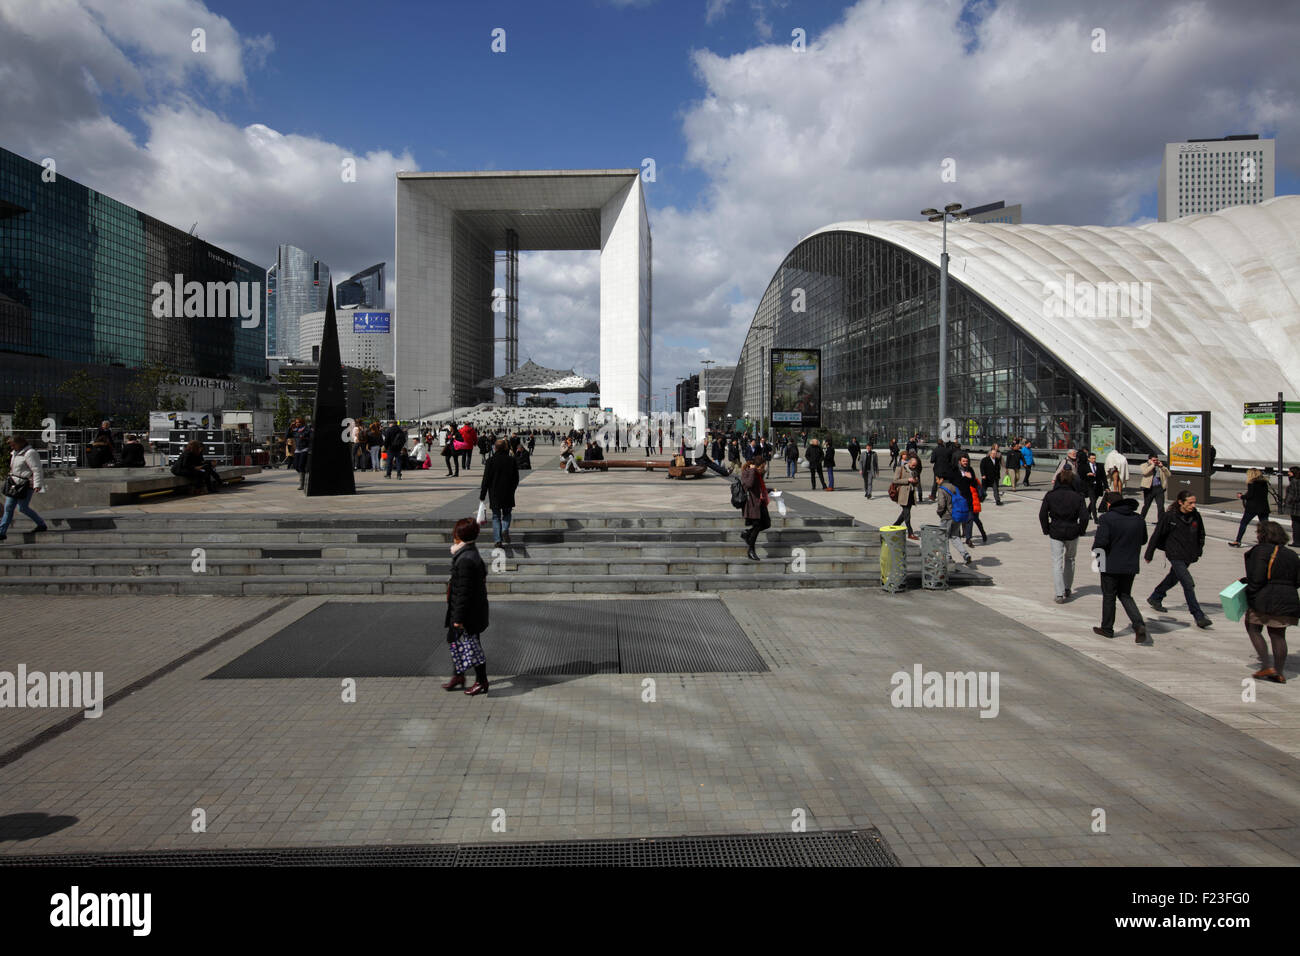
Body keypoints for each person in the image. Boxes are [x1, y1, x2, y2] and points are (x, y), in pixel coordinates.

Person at [1144, 490, 1211, 629]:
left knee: (1174, 577)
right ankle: (1198, 615)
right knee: (1188, 583)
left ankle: (1156, 596)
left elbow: (1201, 534)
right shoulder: (1170, 516)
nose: (1193, 505)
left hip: (1189, 554)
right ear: (1181, 502)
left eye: (1194, 502)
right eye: (1190, 502)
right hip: (1174, 553)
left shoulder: (1195, 516)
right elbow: (1157, 534)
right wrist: (1149, 553)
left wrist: (1199, 550)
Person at [1241, 521, 1298, 683]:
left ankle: (1266, 665)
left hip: (1265, 598)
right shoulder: (1291, 554)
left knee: (1253, 627)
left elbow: (1257, 578)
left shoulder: (1260, 551)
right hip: (1288, 599)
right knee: (1278, 634)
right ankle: (1279, 672)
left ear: (1263, 534)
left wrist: (1249, 593)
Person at [1091, 490, 1149, 642]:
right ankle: (1138, 624)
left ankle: (1107, 628)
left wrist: (1096, 557)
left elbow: (1101, 543)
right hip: (1130, 565)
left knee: (1109, 596)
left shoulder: (1107, 519)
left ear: (1109, 504)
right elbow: (1143, 540)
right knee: (1125, 595)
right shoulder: (1138, 518)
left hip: (1110, 564)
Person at [442, 517, 490, 696]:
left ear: (461, 536)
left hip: (467, 613)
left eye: (456, 533)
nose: (453, 536)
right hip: (466, 610)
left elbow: (464, 592)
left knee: (473, 646)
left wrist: (458, 619)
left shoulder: (466, 559)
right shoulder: (467, 552)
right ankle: (459, 675)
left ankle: (481, 681)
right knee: (455, 642)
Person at [1039, 466, 1089, 604]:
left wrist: (1046, 529)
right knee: (1070, 559)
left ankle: (1059, 593)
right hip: (1072, 529)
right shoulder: (1078, 497)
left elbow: (1042, 514)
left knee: (1057, 561)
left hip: (1056, 529)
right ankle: (1067, 587)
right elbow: (1084, 517)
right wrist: (1081, 529)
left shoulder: (1050, 495)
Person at [0, 435, 48, 541]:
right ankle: (1, 532)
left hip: (25, 484)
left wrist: (37, 485)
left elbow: (37, 469)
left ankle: (41, 524)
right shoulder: (15, 453)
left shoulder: (30, 453)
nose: (12, 447)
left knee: (23, 507)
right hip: (14, 483)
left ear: (20, 443)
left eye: (13, 445)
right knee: (8, 507)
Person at [479, 439, 520, 547]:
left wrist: (482, 495)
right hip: (508, 492)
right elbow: (516, 478)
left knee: (496, 516)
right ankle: (505, 529)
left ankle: (498, 540)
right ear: (506, 448)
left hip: (494, 492)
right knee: (507, 513)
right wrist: (512, 489)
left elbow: (486, 479)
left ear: (495, 448)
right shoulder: (511, 460)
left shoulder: (490, 461)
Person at [935, 475, 973, 566]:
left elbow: (941, 504)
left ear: (942, 479)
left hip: (947, 516)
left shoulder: (941, 489)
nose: (936, 481)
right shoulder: (954, 487)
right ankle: (965, 554)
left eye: (937, 479)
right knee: (955, 536)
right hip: (958, 515)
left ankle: (948, 557)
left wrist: (939, 513)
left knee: (944, 537)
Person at [1231, 468, 1272, 547]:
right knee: (1265, 525)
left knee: (1244, 523)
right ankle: (1268, 542)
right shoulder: (1264, 483)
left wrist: (1241, 496)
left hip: (1252, 507)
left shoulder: (1252, 483)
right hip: (1263, 507)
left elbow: (1250, 495)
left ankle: (1238, 541)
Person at [740, 458, 770, 561]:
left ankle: (747, 534)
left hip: (760, 502)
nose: (764, 468)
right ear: (759, 466)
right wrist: (753, 470)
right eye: (763, 466)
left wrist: (769, 490)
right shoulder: (748, 472)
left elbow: (759, 487)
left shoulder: (758, 473)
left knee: (767, 524)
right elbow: (748, 485)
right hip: (752, 503)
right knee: (757, 526)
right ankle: (751, 550)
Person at [890, 453, 920, 540]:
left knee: (904, 514)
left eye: (915, 465)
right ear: (909, 463)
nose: (914, 467)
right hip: (903, 494)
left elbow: (917, 482)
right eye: (913, 465)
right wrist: (907, 480)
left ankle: (894, 526)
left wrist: (915, 481)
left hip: (911, 494)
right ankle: (910, 533)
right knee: (907, 514)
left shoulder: (915, 470)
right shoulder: (901, 469)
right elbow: (895, 480)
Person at [1138, 454, 1171, 521]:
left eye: (1156, 460)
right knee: (1146, 505)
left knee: (1161, 506)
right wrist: (1152, 465)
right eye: (1153, 460)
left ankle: (1161, 521)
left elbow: (1169, 474)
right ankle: (1141, 520)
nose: (1155, 462)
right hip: (1149, 488)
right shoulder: (1144, 465)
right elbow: (1145, 472)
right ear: (1149, 460)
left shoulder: (1160, 466)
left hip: (1159, 488)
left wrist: (1162, 467)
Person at [288, 417, 312, 489]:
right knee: (295, 465)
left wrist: (303, 437)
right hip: (297, 449)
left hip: (304, 449)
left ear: (302, 422)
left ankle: (302, 484)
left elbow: (309, 435)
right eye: (296, 422)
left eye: (298, 422)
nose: (297, 423)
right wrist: (290, 427)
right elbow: (287, 436)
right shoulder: (295, 430)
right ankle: (303, 475)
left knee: (301, 465)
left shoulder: (306, 428)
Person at [1080, 452, 1104, 520]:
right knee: (1093, 501)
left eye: (1095, 458)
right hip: (1089, 486)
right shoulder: (1084, 466)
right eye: (1092, 458)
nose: (1094, 460)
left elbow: (1103, 477)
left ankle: (1088, 512)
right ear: (1089, 459)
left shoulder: (1099, 465)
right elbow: (1081, 476)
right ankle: (1095, 517)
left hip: (1098, 486)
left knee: (1094, 501)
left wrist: (1106, 486)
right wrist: (1087, 474)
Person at [1281, 466, 1300, 547]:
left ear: (1293, 473)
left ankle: (1297, 542)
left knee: (1296, 524)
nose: (1288, 473)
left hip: (1295, 507)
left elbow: (1294, 495)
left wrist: (1287, 502)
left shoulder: (1294, 482)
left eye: (1289, 472)